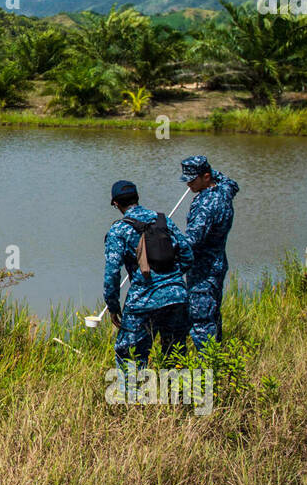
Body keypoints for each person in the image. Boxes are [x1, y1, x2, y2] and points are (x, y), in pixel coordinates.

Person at [103, 180, 194, 371]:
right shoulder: (163, 220)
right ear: (137, 198)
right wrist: (172, 279)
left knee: (130, 356)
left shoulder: (118, 230)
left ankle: (133, 399)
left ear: (116, 204)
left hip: (144, 300)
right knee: (175, 353)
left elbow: (112, 273)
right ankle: (178, 398)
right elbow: (187, 254)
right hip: (177, 296)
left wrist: (113, 306)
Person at [178, 155, 240, 348]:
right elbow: (231, 182)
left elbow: (192, 241)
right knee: (213, 313)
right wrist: (210, 173)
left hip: (203, 271)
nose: (188, 184)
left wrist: (166, 242)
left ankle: (207, 370)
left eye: (192, 179)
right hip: (217, 264)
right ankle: (218, 359)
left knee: (201, 321)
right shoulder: (224, 190)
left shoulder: (205, 204)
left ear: (205, 177)